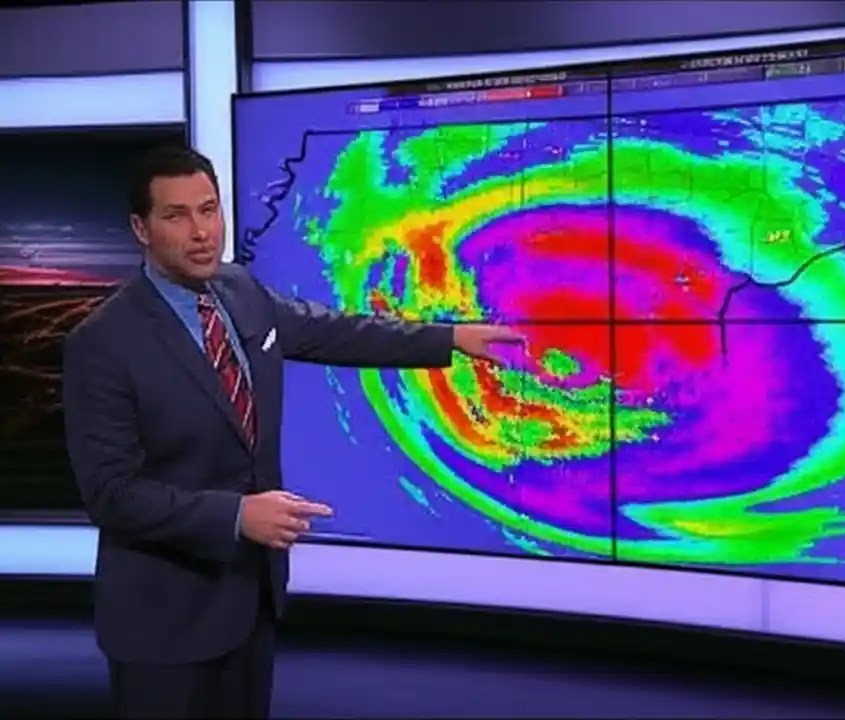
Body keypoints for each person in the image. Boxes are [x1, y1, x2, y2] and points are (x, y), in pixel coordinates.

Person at [61, 146, 522, 719]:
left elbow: (339, 334)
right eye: (176, 216)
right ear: (141, 228)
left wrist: (450, 340)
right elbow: (111, 494)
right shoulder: (103, 344)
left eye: (209, 209)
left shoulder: (240, 292)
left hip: (250, 600)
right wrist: (235, 516)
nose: (201, 232)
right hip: (165, 623)